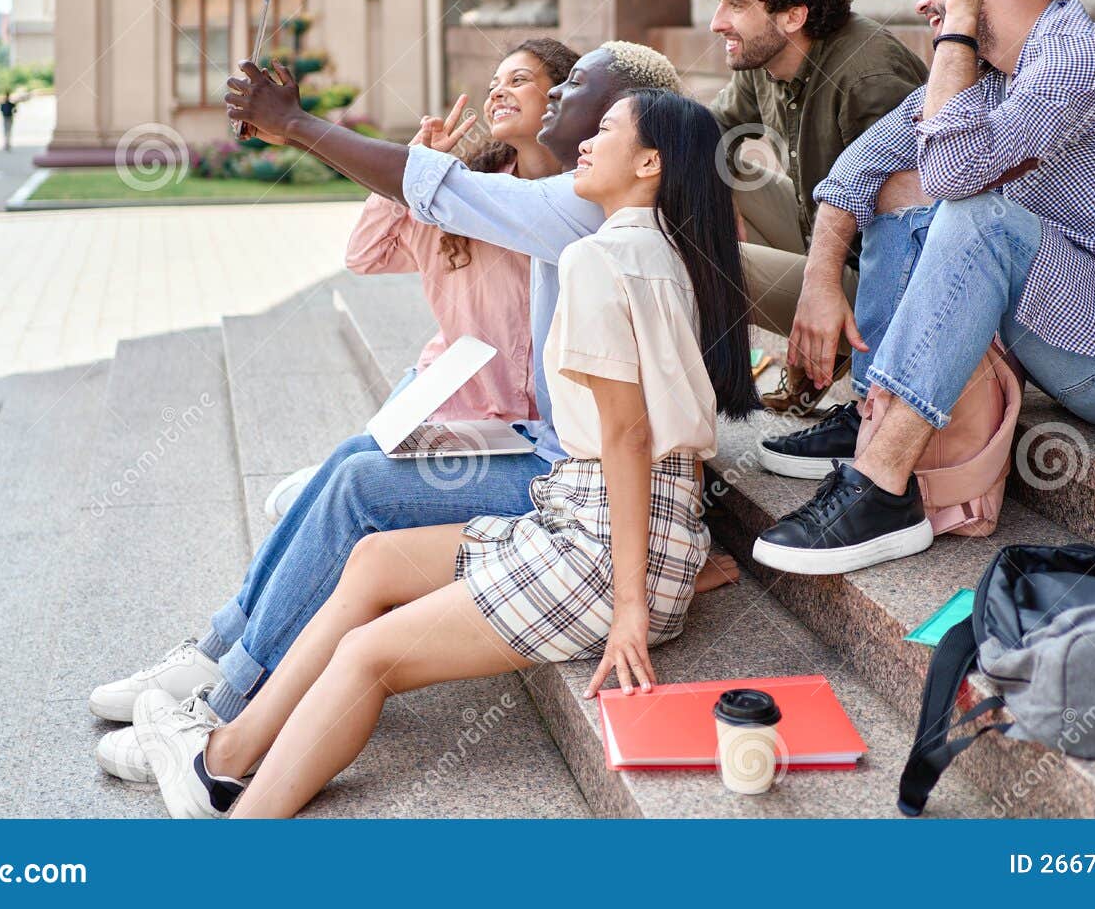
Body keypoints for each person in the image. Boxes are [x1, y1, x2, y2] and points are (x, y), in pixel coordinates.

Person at [88, 42, 724, 787]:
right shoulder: (596, 212)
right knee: (354, 465)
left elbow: (630, 431)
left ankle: (225, 703)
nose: (555, 100)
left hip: (568, 484)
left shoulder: (584, 216)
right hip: (553, 460)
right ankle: (220, 654)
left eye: (575, 88)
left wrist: (296, 125)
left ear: (641, 141)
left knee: (358, 491)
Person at [751, 0, 1095, 576]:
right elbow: (859, 167)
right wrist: (821, 281)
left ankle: (883, 484)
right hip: (1076, 324)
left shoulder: (1077, 58)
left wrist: (958, 27)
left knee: (979, 217)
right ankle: (870, 413)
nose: (922, 1)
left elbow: (951, 175)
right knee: (895, 187)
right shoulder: (993, 75)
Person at [257, 39, 578, 524]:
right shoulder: (462, 195)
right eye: (493, 84)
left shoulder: (584, 199)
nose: (498, 92)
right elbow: (365, 255)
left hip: (540, 430)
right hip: (457, 399)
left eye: (519, 80)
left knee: (358, 490)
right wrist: (407, 178)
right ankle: (324, 488)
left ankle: (324, 490)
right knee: (354, 470)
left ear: (560, 97)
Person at [706, 0, 927, 412]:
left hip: (879, 286)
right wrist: (713, 193)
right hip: (821, 235)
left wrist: (819, 287)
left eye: (736, 5)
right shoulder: (765, 57)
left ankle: (703, 396)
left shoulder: (869, 78)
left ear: (793, 16)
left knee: (692, 256)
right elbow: (709, 132)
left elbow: (913, 238)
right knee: (702, 168)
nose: (717, 22)